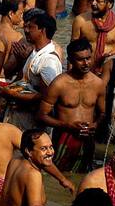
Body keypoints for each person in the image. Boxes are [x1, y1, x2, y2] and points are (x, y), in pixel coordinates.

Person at [37, 39, 103, 171]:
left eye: (88, 58)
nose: (86, 63)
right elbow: (41, 115)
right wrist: (67, 125)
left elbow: (103, 113)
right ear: (71, 60)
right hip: (63, 138)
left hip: (87, 139)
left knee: (85, 175)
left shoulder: (98, 84)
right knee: (58, 174)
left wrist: (95, 125)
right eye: (80, 59)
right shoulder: (59, 84)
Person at [72, 0, 115, 70]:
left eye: (98, 1)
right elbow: (72, 51)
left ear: (110, 4)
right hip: (84, 71)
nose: (93, 3)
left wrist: (114, 55)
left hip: (107, 72)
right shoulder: (81, 21)